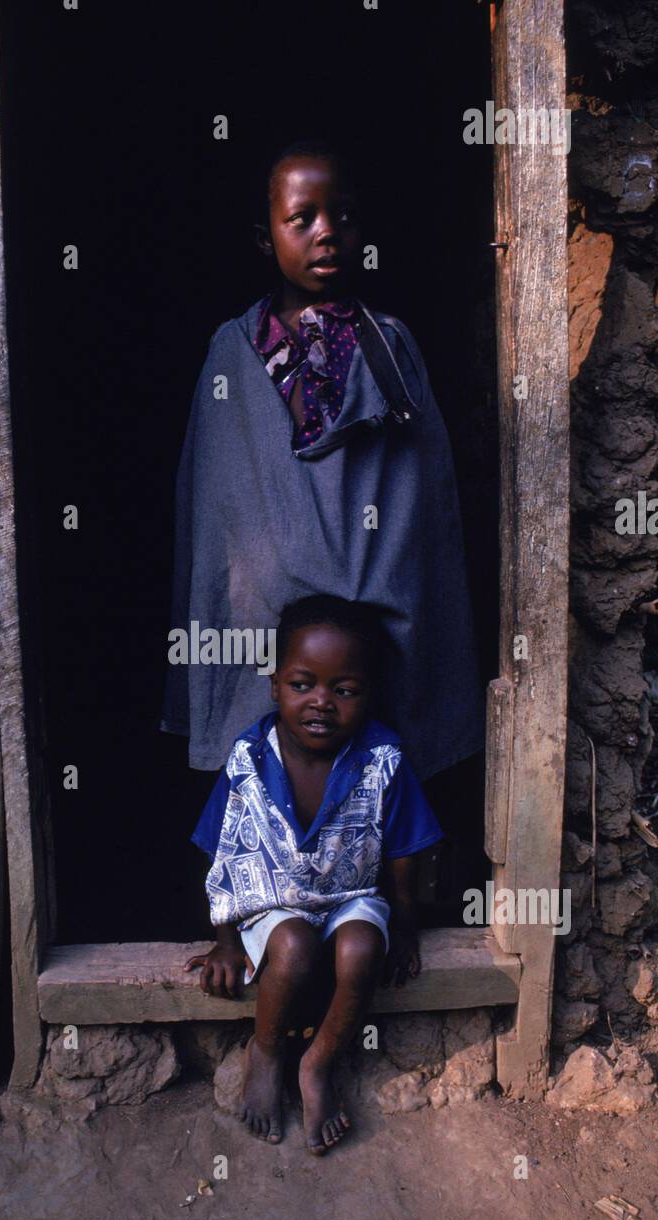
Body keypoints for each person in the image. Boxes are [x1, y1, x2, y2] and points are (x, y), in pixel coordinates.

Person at [161, 138, 483, 786]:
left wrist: (367, 589)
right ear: (264, 236)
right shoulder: (232, 351)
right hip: (267, 615)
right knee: (267, 780)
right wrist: (272, 578)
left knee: (381, 786)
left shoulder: (389, 347)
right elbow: (219, 504)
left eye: (344, 215)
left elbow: (415, 501)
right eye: (302, 218)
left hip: (374, 607)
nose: (327, 233)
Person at [186, 596, 444, 1155]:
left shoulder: (383, 760)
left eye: (344, 690)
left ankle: (319, 1063)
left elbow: (404, 853)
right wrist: (225, 940)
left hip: (351, 896)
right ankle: (268, 1050)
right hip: (273, 904)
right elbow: (224, 850)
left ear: (368, 695)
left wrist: (403, 926)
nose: (321, 702)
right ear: (275, 685)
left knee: (358, 950)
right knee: (295, 947)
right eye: (304, 684)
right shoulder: (249, 760)